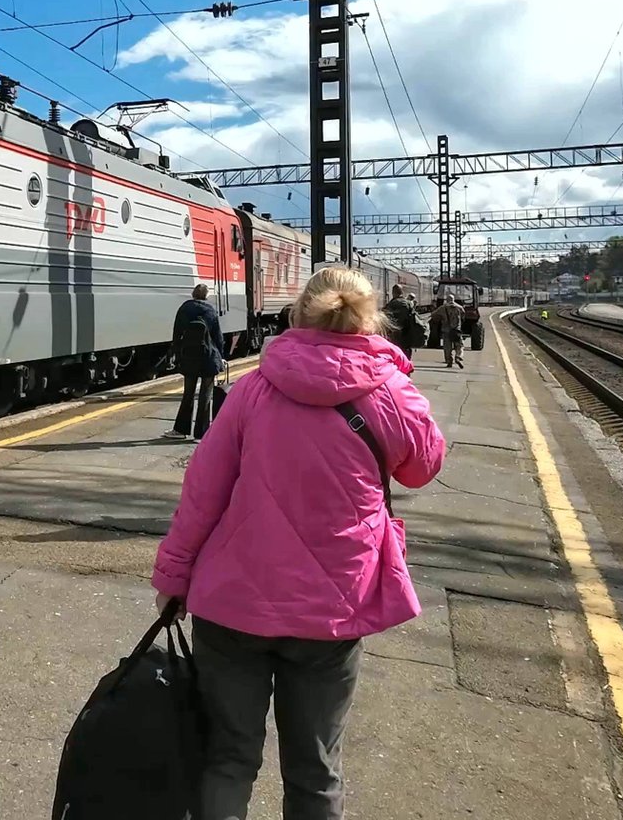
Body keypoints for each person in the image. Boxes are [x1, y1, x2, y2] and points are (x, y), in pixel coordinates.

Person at [152, 267, 447, 820]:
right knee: (315, 771)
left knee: (228, 759)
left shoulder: (253, 389)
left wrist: (172, 578)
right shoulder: (390, 392)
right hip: (330, 612)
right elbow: (422, 468)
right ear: (369, 317)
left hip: (231, 606)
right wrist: (399, 379)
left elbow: (202, 492)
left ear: (297, 313)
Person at [166, 283, 226, 441]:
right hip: (208, 358)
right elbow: (218, 337)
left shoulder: (184, 309)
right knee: (205, 396)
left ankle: (180, 430)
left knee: (188, 394)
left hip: (189, 358)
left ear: (193, 294)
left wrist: (177, 354)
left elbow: (176, 334)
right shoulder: (210, 311)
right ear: (206, 296)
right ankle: (202, 433)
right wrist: (221, 356)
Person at [384, 283, 420, 360]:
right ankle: (407, 367)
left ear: (393, 292)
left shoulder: (390, 305)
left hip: (394, 334)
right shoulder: (409, 304)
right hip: (407, 333)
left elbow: (385, 318)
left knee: (395, 352)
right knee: (406, 352)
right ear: (402, 292)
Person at [435, 293, 464, 369]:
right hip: (456, 330)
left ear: (446, 300)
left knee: (447, 347)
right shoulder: (459, 308)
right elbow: (463, 315)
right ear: (453, 300)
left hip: (446, 330)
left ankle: (449, 362)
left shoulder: (442, 308)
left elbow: (434, 314)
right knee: (459, 345)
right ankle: (458, 356)